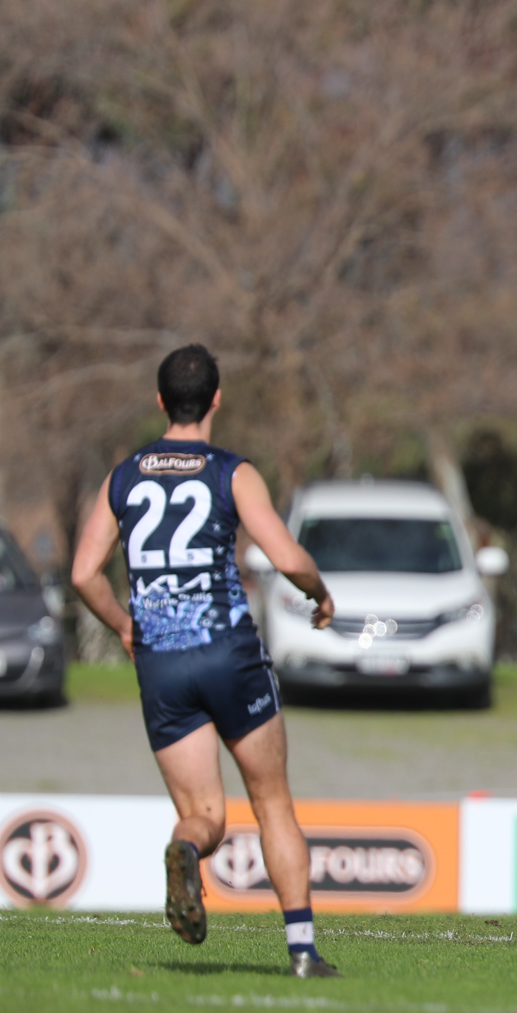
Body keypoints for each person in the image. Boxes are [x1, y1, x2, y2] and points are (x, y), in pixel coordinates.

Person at [71, 344, 339, 977]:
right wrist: (320, 594)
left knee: (203, 815)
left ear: (161, 401)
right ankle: (301, 951)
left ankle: (186, 850)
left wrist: (123, 626)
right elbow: (288, 558)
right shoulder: (231, 472)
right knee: (271, 803)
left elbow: (84, 573)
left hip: (162, 662)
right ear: (216, 398)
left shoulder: (125, 476)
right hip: (229, 655)